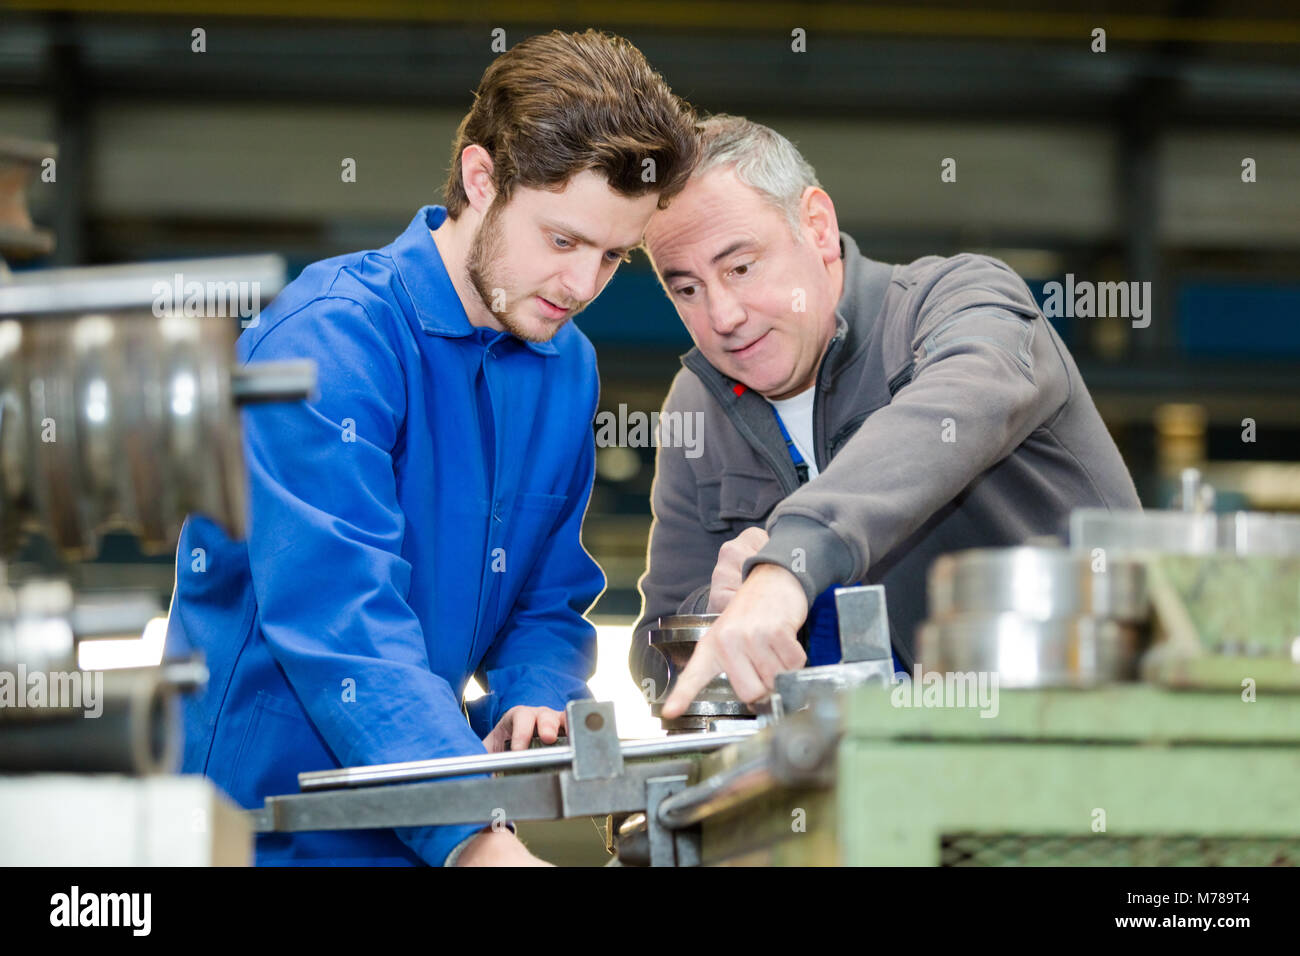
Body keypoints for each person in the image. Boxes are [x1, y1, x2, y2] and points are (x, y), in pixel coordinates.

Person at [167, 30, 697, 866]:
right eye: (561, 241)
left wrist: (538, 691)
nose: (581, 287)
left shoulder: (565, 367)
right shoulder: (329, 342)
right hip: (256, 833)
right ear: (482, 179)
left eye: (613, 257)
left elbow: (546, 597)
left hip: (419, 824)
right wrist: (476, 841)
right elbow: (345, 622)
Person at [630, 115, 1139, 717]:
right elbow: (654, 657)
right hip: (879, 779)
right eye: (686, 288)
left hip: (1094, 737)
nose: (722, 315)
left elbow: (953, 408)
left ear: (816, 226)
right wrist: (711, 614)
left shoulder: (962, 303)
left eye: (740, 268)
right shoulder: (702, 410)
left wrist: (787, 565)